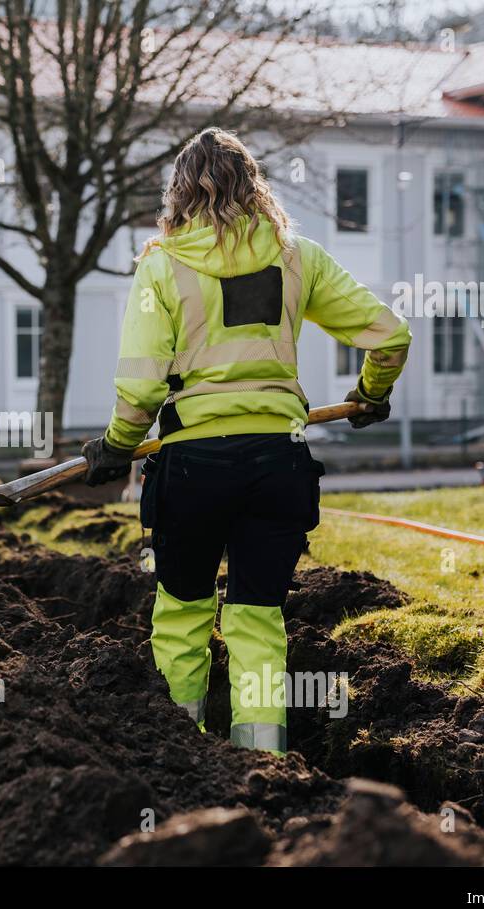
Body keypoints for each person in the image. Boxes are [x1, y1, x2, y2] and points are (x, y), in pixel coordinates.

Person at [82, 128, 411, 755]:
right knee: (258, 614)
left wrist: (117, 444)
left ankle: (178, 753)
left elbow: (144, 383)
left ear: (179, 192)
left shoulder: (162, 263)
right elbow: (390, 336)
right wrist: (369, 393)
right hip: (277, 461)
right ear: (254, 185)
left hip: (193, 466)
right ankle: (264, 762)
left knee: (182, 610)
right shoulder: (298, 256)